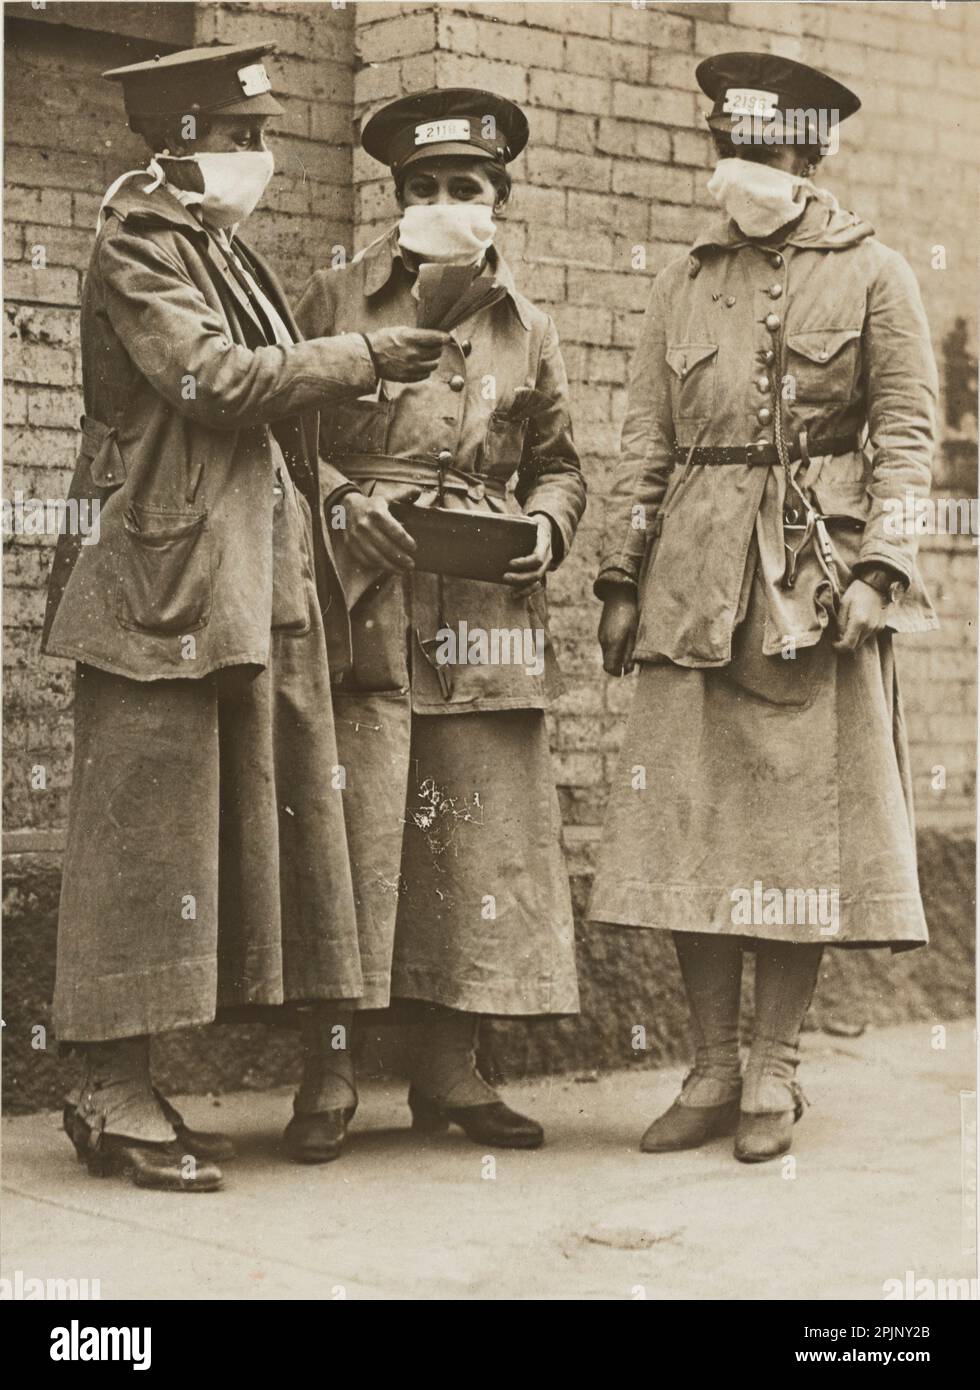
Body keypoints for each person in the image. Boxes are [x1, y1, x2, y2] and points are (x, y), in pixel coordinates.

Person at [41, 43, 449, 1191]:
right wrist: (358, 356)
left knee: (197, 836)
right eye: (241, 138)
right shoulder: (138, 242)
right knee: (141, 836)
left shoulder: (217, 249)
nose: (259, 160)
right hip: (156, 588)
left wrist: (337, 477)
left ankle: (131, 1083)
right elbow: (214, 381)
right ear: (178, 142)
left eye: (260, 137)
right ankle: (107, 1088)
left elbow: (269, 432)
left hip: (231, 584)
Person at [592, 53, 938, 1163]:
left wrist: (882, 568)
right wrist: (616, 575)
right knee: (690, 822)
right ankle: (707, 1067)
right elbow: (645, 438)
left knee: (795, 836)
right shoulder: (681, 283)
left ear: (810, 153)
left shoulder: (879, 272)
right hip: (690, 585)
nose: (739, 169)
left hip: (812, 580)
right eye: (725, 148)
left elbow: (907, 436)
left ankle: (774, 1070)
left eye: (765, 150)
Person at [295, 87, 586, 1154]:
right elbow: (280, 434)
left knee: (471, 839)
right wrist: (338, 498)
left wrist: (545, 528)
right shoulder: (334, 297)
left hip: (481, 608)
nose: (442, 203)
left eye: (464, 187)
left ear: (497, 200)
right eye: (422, 188)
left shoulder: (528, 326)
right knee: (347, 834)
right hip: (361, 592)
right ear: (395, 198)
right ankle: (324, 1070)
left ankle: (450, 1072)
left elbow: (558, 463)